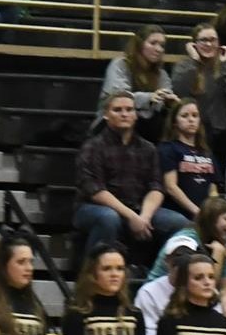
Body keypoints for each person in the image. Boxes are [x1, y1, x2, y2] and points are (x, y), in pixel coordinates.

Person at [76, 91, 190, 254]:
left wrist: (145, 216)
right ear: (106, 115)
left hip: (138, 208)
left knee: (179, 222)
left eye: (129, 110)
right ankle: (92, 271)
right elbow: (95, 191)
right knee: (109, 218)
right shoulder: (93, 146)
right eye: (118, 110)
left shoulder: (148, 148)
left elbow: (156, 187)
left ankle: (163, 275)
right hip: (94, 208)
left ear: (136, 115)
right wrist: (131, 216)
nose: (124, 114)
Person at [171, 19, 226, 144]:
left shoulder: (223, 66)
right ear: (194, 45)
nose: (209, 44)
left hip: (220, 131)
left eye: (213, 40)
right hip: (193, 130)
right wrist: (194, 62)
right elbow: (179, 90)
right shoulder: (184, 66)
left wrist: (225, 64)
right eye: (204, 40)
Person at [102, 23, 176, 134]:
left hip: (145, 128)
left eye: (162, 45)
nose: (158, 49)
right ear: (139, 45)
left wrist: (169, 103)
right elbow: (119, 97)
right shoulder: (120, 64)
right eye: (153, 43)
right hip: (112, 126)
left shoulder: (161, 74)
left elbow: (165, 94)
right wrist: (150, 98)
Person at [158, 98, 217, 219]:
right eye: (185, 116)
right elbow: (171, 187)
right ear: (175, 122)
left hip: (204, 213)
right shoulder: (168, 148)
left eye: (195, 116)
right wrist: (196, 211)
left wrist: (212, 211)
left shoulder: (206, 152)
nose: (191, 120)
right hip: (178, 213)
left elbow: (213, 187)